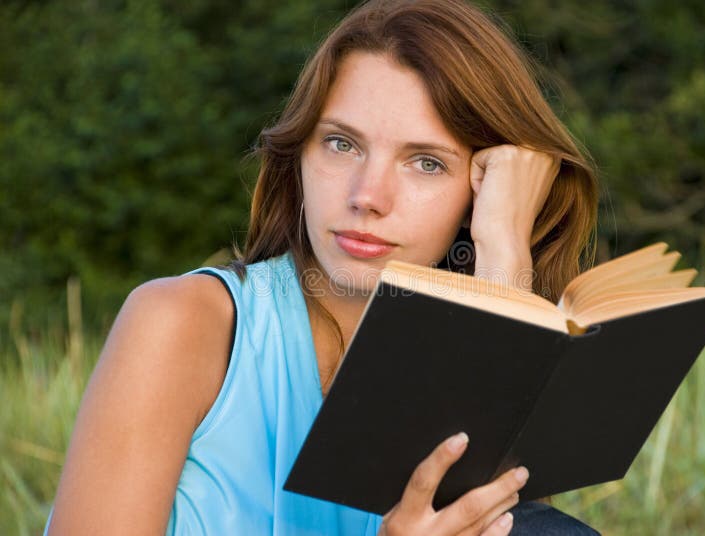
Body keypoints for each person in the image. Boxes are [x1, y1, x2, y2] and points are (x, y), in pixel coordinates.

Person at [45, 0, 600, 534]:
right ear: (299, 158)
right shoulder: (183, 324)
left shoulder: (465, 359)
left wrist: (503, 251)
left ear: (479, 195)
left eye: (426, 163)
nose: (368, 195)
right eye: (341, 144)